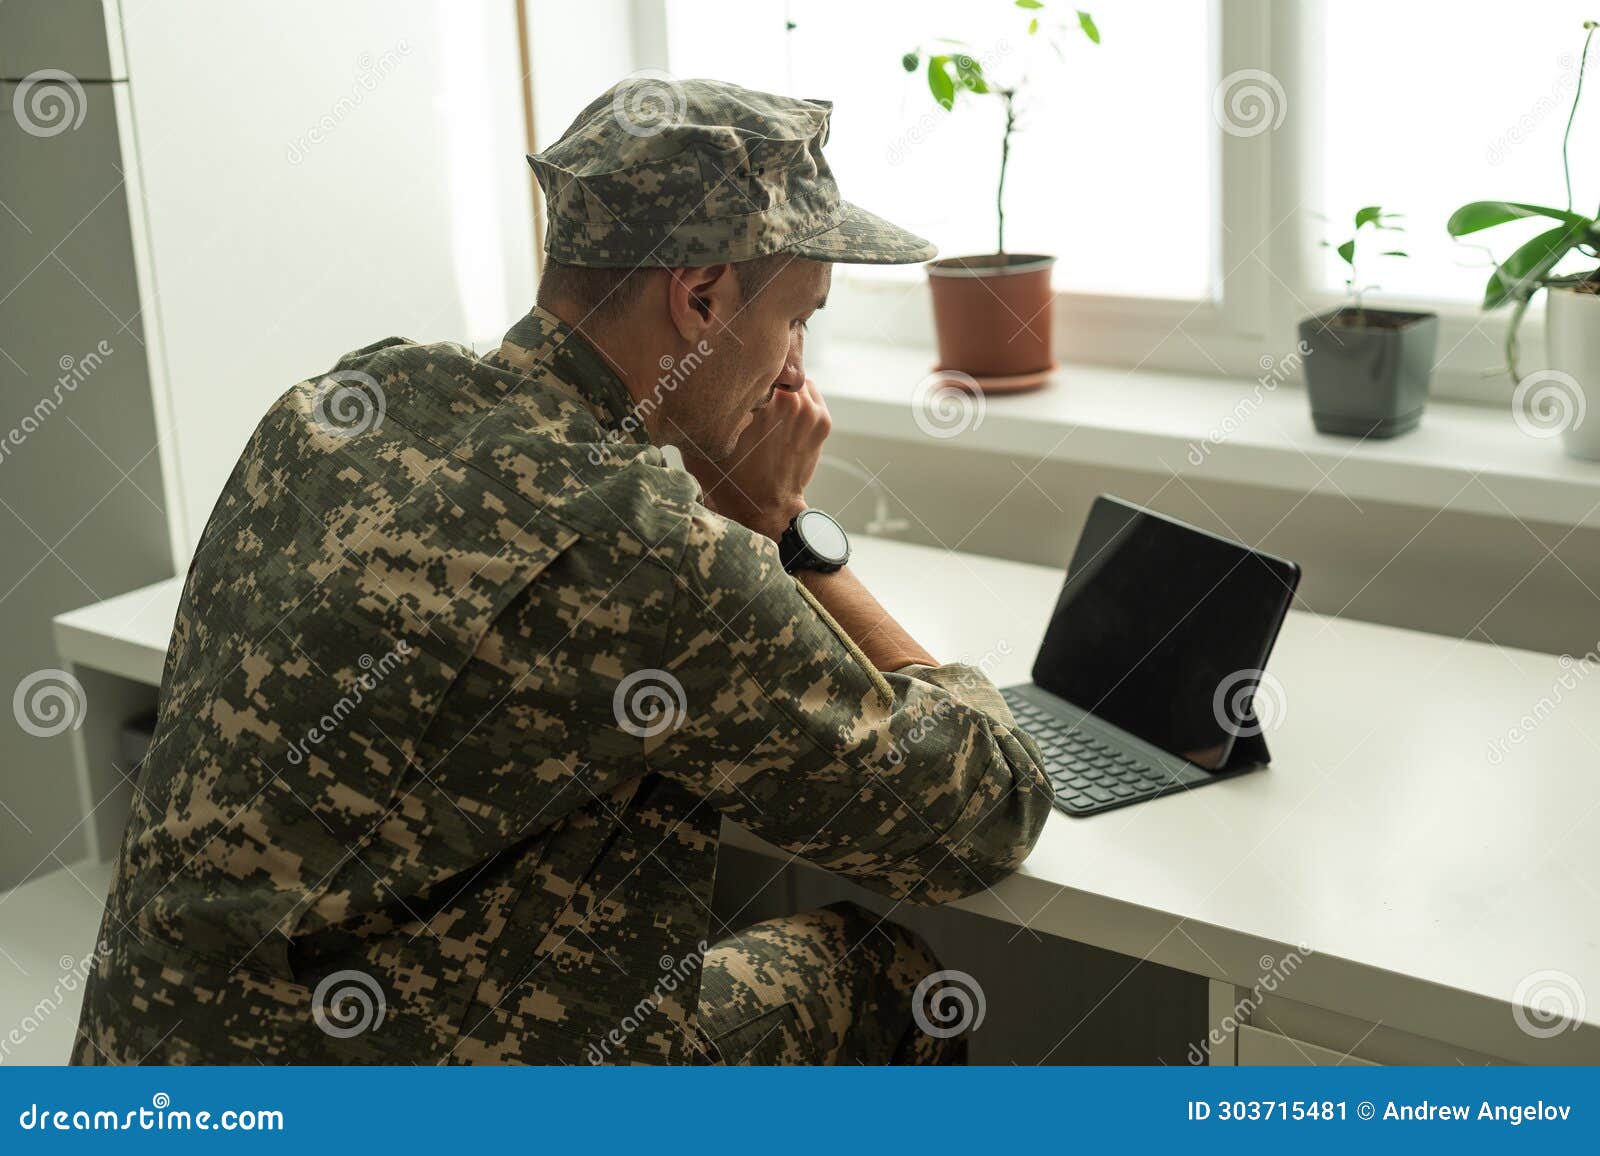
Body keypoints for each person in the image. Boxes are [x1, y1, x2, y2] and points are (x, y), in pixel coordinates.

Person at [71, 77, 1051, 1066]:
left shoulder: (337, 403)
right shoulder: (647, 547)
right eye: (798, 317)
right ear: (700, 294)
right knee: (886, 977)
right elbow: (983, 813)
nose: (796, 367)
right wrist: (775, 521)